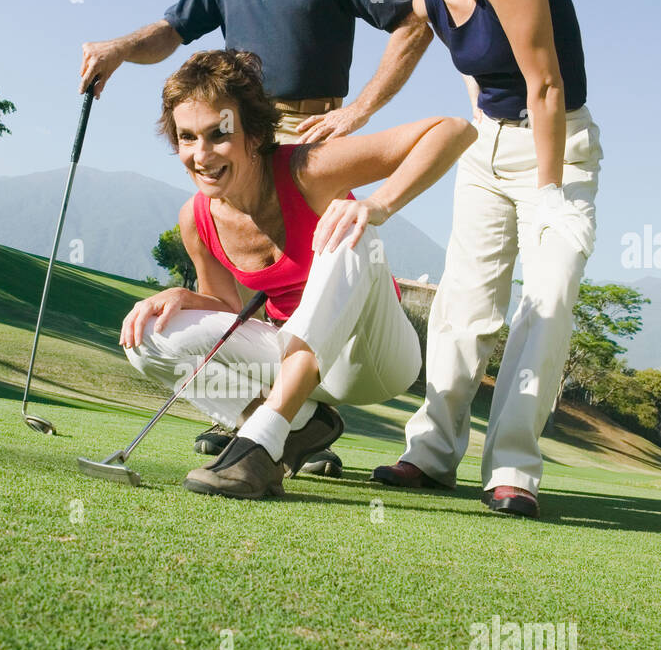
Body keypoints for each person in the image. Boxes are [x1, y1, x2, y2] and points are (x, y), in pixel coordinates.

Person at [81, 0, 432, 475]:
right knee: (238, 298)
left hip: (310, 144)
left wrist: (357, 113)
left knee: (335, 260)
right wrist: (122, 50)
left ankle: (277, 423)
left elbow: (411, 21)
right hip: (243, 145)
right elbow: (171, 30)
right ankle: (289, 423)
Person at [120, 50, 475, 499]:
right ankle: (300, 425)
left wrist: (377, 204)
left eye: (218, 134)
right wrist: (179, 296)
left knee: (355, 231)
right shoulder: (196, 218)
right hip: (294, 359)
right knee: (148, 335)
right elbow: (230, 311)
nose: (201, 154)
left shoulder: (307, 169)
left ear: (253, 133)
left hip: (370, 360)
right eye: (187, 137)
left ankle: (263, 442)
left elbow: (454, 130)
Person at [373, 0, 603, 520]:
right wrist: (354, 112)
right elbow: (410, 38)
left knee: (548, 298)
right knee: (464, 305)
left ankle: (510, 467)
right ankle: (431, 452)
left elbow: (546, 86)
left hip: (552, 147)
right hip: (485, 149)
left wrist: (550, 195)